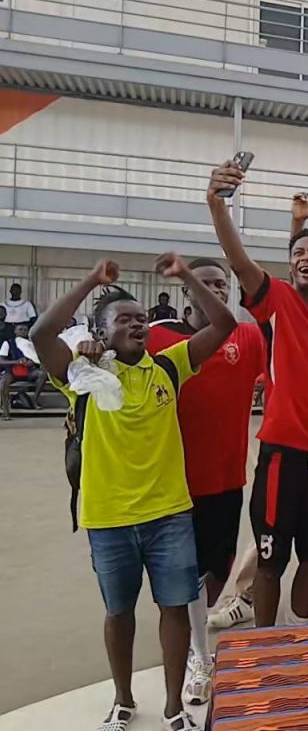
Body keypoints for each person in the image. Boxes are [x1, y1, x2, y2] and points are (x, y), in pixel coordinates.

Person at [31, 255, 235, 731]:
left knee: (174, 609)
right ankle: (122, 701)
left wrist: (186, 276)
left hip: (170, 516)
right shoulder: (82, 375)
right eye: (124, 319)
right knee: (119, 612)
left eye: (141, 319)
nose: (137, 325)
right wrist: (91, 279)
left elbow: (224, 324)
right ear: (101, 332)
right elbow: (42, 334)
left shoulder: (169, 366)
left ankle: (173, 708)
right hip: (108, 518)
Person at [207, 161, 308, 628]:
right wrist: (216, 203)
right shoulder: (279, 302)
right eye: (299, 253)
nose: (306, 257)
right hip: (282, 455)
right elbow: (239, 260)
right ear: (289, 265)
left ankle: (299, 634)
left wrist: (300, 227)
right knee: (270, 560)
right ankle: (267, 642)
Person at [146, 258, 265, 704]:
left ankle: (204, 621)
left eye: (220, 284)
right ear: (186, 291)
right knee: (188, 575)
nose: (214, 290)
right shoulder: (158, 338)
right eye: (205, 283)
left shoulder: (246, 337)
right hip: (176, 483)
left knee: (217, 571)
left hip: (227, 478)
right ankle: (200, 656)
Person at [0, 322, 47, 417]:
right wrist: (16, 362)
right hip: (12, 371)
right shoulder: (8, 343)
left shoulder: (31, 344)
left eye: (25, 330)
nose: (23, 331)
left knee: (43, 374)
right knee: (3, 382)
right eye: (20, 329)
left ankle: (34, 400)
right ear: (15, 331)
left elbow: (39, 359)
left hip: (29, 371)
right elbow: (1, 361)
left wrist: (33, 362)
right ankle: (5, 409)